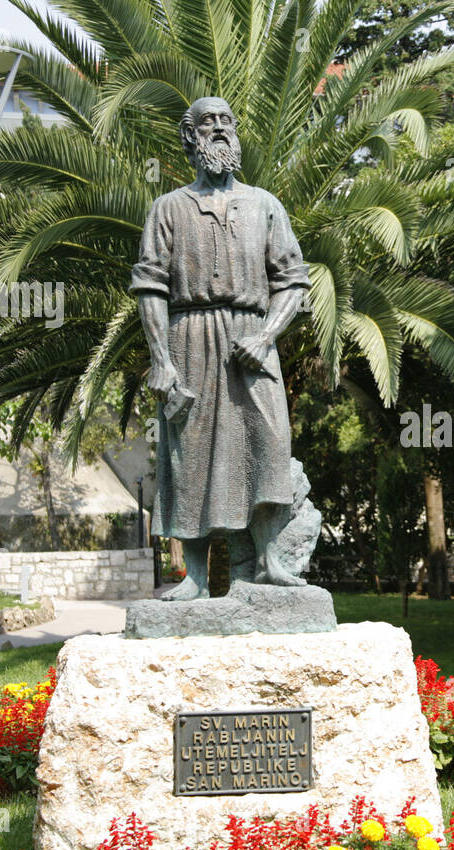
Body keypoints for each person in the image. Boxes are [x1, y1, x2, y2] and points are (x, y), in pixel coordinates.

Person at [130, 96, 311, 600]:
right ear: (189, 137)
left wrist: (267, 335)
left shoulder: (265, 205)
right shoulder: (168, 207)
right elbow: (150, 288)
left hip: (253, 342)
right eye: (206, 122)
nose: (218, 129)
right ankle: (195, 577)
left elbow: (293, 281)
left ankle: (271, 561)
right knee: (190, 454)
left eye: (226, 121)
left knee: (269, 444)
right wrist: (161, 361)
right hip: (188, 340)